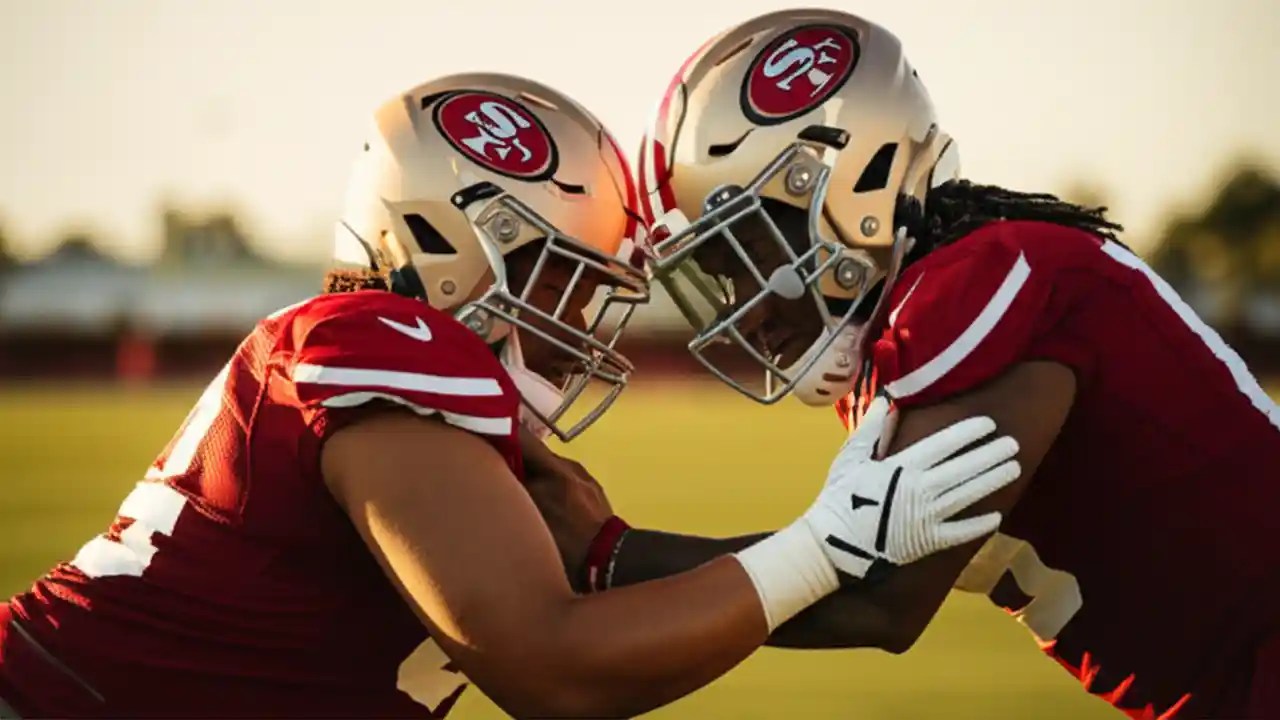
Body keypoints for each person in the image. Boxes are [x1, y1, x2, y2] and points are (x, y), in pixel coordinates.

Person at [0, 72, 1022, 718]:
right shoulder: (384, 341)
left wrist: (844, 564)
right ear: (447, 253)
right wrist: (818, 548)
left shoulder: (399, 390)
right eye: (560, 278)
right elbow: (552, 669)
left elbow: (612, 617)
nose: (580, 324)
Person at [530, 9, 1280, 720]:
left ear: (851, 189)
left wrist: (605, 555)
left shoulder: (986, 277)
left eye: (748, 252)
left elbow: (879, 599)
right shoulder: (913, 325)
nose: (747, 310)